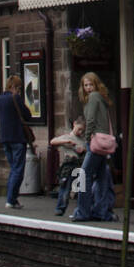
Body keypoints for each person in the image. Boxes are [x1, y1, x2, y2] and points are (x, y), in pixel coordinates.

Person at [72, 72, 117, 222]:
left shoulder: (93, 97)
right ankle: (102, 211)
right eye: (85, 85)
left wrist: (87, 139)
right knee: (102, 177)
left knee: (83, 175)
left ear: (96, 85)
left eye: (91, 84)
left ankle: (83, 211)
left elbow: (90, 120)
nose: (88, 88)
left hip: (95, 142)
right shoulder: (102, 98)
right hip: (104, 142)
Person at [0, 75, 32, 210]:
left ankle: (13, 198)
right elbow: (27, 114)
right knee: (18, 170)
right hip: (17, 137)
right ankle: (10, 200)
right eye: (19, 88)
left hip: (5, 138)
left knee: (13, 169)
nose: (19, 91)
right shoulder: (15, 98)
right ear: (14, 87)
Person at [50, 116, 87, 216]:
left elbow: (88, 150)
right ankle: (60, 208)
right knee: (65, 188)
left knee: (81, 188)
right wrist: (67, 142)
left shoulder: (83, 140)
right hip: (68, 164)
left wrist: (83, 150)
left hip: (79, 164)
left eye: (82, 130)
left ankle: (81, 209)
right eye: (79, 129)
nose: (80, 132)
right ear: (74, 124)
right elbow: (53, 141)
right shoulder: (67, 137)